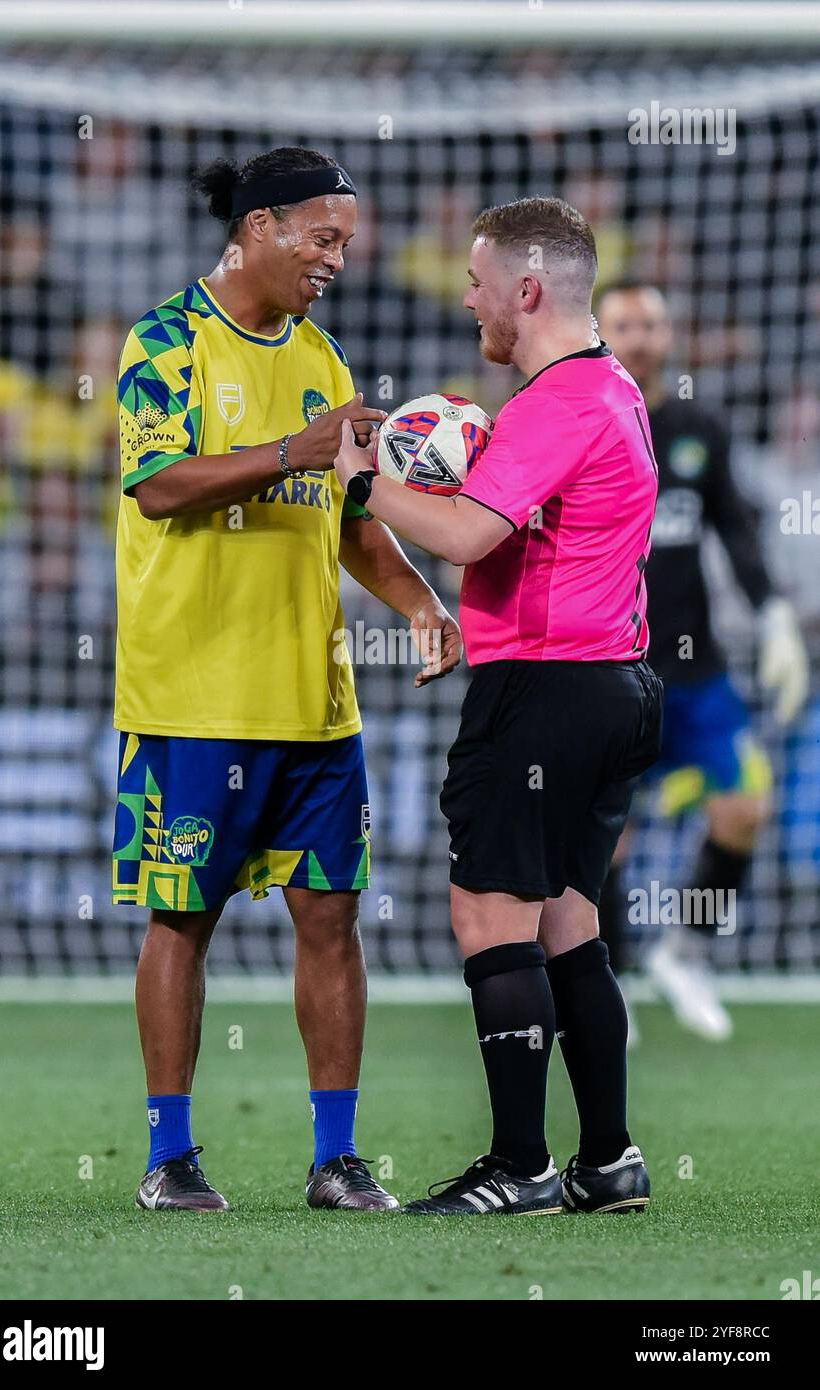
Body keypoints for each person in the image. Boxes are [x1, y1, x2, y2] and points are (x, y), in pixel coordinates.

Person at [113, 146, 461, 1213]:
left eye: (346, 242)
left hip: (315, 699)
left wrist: (416, 603)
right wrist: (292, 448)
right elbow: (161, 486)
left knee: (333, 918)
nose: (336, 260)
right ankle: (171, 1156)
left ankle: (337, 1158)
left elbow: (351, 520)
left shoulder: (328, 360)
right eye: (322, 237)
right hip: (193, 698)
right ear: (259, 227)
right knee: (183, 917)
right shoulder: (164, 340)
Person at [334, 197, 662, 1216]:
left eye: (478, 284)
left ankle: (519, 1163)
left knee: (489, 913)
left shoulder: (555, 402)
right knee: (569, 918)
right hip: (616, 684)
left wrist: (359, 482)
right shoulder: (616, 388)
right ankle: (608, 1161)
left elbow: (468, 538)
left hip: (543, 690)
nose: (469, 299)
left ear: (527, 291)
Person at [595, 281, 809, 1041]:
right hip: (610, 669)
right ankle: (606, 984)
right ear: (599, 330)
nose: (642, 335)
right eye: (625, 323)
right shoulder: (579, 425)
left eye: (652, 322)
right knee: (604, 836)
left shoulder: (696, 428)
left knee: (745, 808)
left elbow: (736, 530)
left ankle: (684, 951)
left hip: (699, 671)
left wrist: (774, 613)